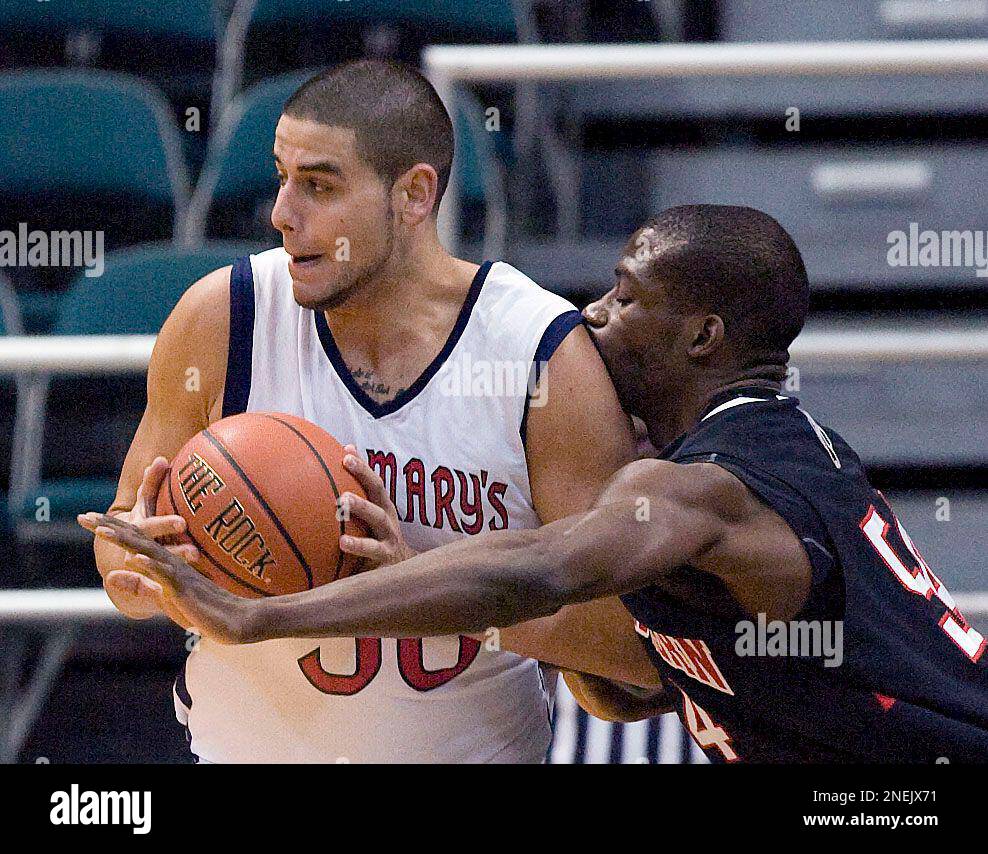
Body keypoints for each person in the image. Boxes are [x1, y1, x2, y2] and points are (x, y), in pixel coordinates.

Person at [85, 204, 988, 763]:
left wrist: (264, 615)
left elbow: (545, 565)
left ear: (702, 339)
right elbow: (628, 687)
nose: (593, 314)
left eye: (628, 298)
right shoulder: (769, 454)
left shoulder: (704, 489)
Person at [85, 59, 651, 763]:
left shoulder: (539, 354)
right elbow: (120, 546)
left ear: (414, 194)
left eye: (318, 185)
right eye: (280, 176)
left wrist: (428, 581)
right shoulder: (221, 318)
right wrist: (145, 568)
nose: (281, 213)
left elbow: (632, 646)